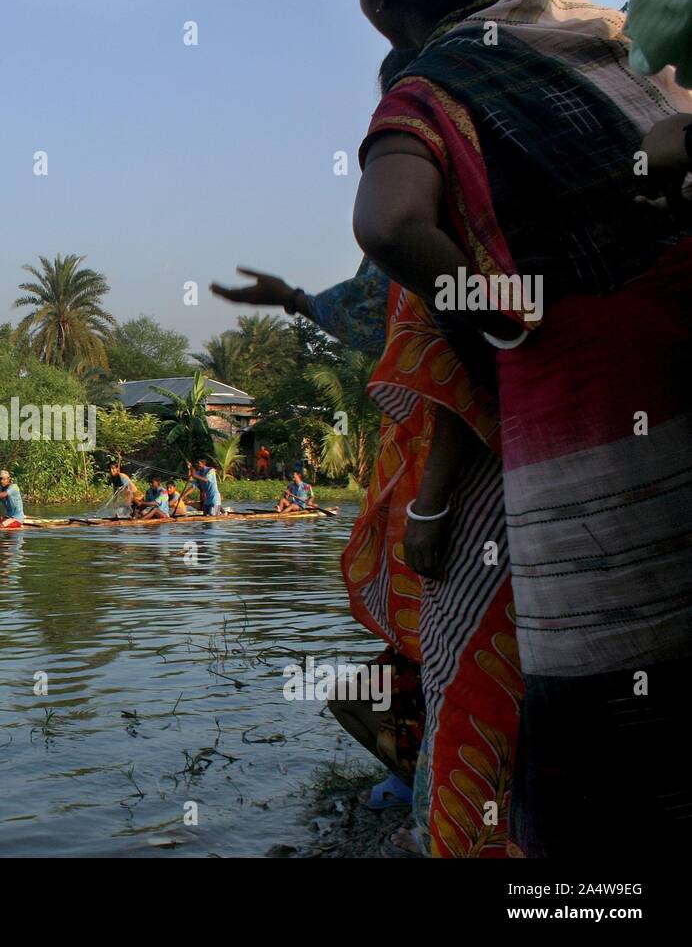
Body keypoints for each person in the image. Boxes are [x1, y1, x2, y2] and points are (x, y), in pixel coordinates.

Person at [355, 0, 692, 857]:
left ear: (388, 9)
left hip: (577, 411)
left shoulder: (434, 88)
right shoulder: (614, 45)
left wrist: (502, 312)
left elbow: (392, 224)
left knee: (593, 739)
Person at [210, 44, 520, 859]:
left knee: (468, 666)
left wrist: (431, 502)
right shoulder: (475, 207)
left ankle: (459, 816)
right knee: (417, 668)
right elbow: (376, 312)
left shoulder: (452, 213)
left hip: (462, 485)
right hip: (456, 473)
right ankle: (431, 781)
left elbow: (449, 359)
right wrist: (294, 300)